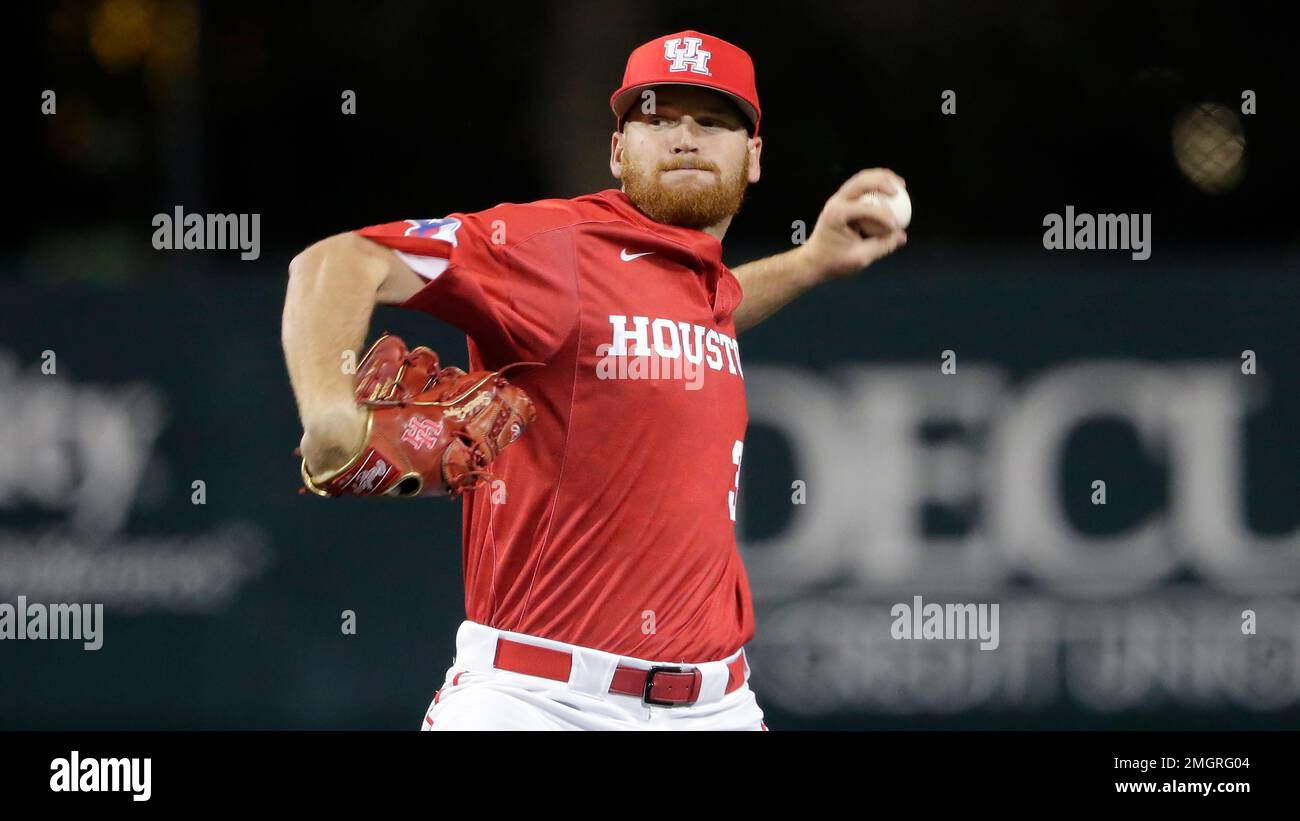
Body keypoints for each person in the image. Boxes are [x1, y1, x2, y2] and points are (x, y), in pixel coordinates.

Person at [281, 29, 907, 730]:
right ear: (618, 151)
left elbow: (706, 310)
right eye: (656, 117)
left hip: (717, 705)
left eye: (711, 120)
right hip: (535, 698)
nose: (684, 137)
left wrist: (811, 261)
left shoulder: (699, 282)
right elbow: (336, 260)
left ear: (753, 156)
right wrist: (329, 409)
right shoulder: (553, 249)